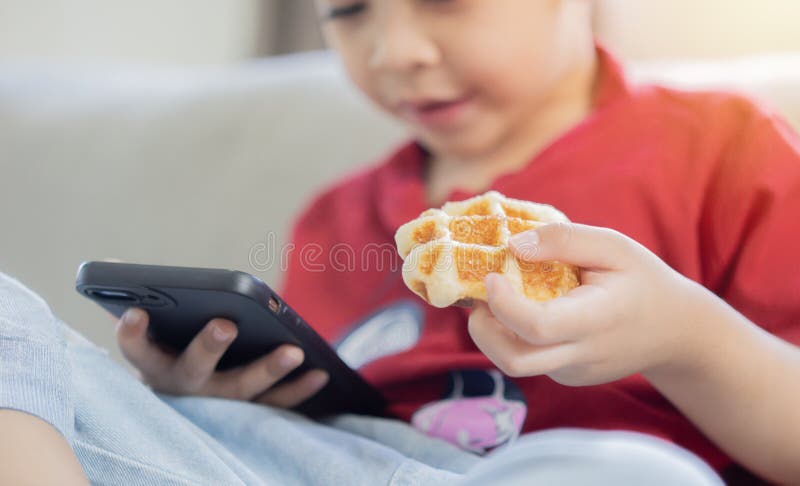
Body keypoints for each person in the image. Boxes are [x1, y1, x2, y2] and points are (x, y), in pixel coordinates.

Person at [2, 1, 799, 484]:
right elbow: (306, 432)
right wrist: (213, 400)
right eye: (349, 10)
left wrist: (685, 339)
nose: (395, 52)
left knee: (640, 476)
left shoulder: (723, 150)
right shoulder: (336, 216)